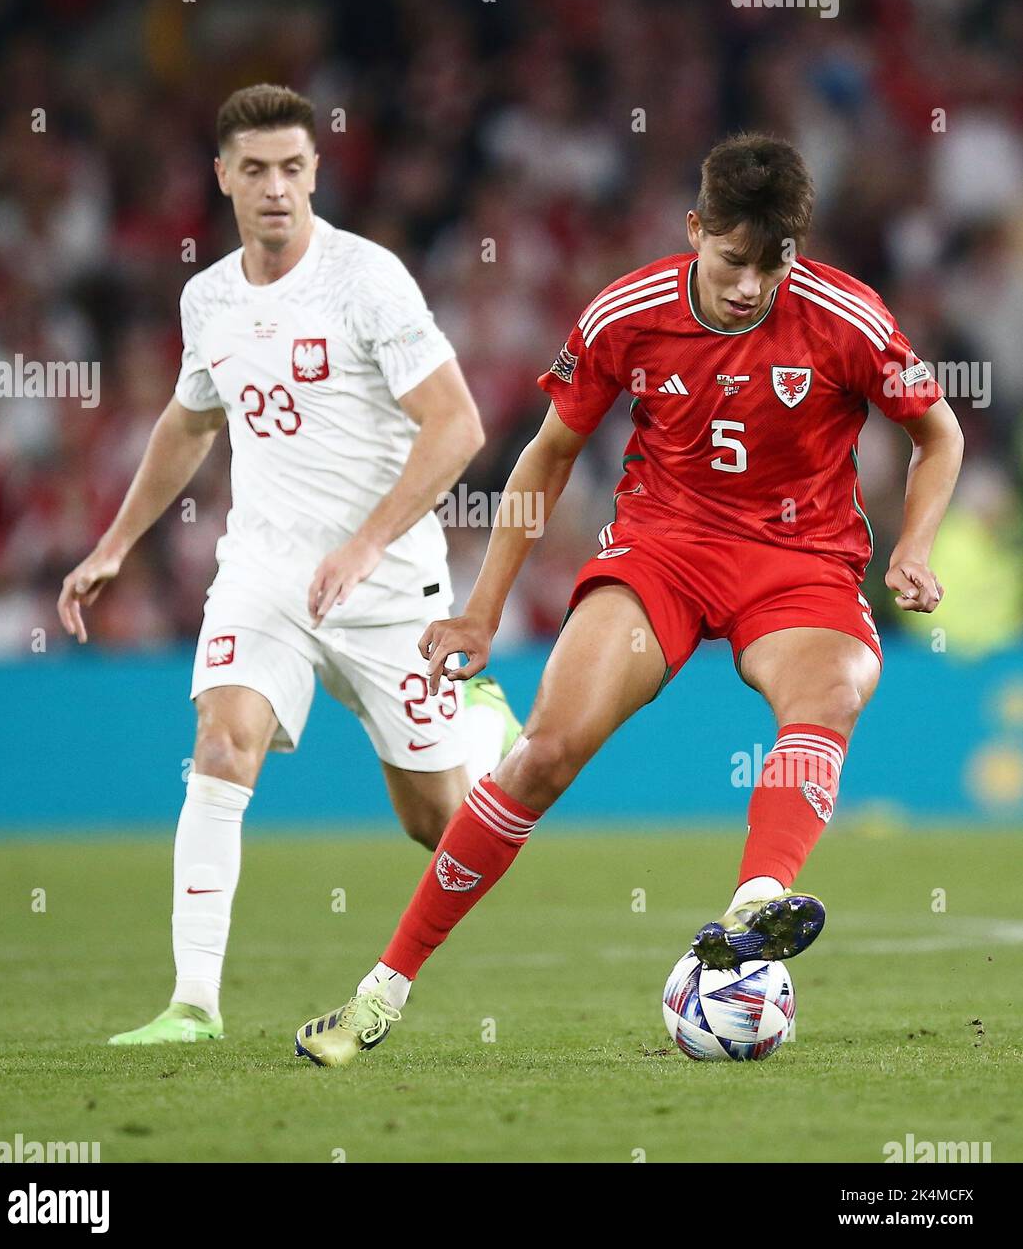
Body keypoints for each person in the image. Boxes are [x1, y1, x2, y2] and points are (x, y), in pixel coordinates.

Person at [294, 131, 963, 1068]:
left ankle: (754, 905)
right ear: (695, 230)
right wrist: (483, 606)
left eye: (771, 265)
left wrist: (916, 545)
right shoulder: (625, 316)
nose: (748, 286)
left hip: (801, 559)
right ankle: (380, 993)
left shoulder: (844, 318)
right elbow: (546, 455)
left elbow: (938, 434)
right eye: (731, 260)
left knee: (832, 692)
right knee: (544, 754)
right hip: (665, 552)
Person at [56, 84, 519, 1045]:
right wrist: (114, 544)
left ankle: (482, 733)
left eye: (294, 168)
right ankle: (192, 1005)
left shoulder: (368, 280)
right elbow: (189, 421)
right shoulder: (208, 296)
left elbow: (458, 425)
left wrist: (365, 541)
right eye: (256, 169)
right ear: (222, 177)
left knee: (438, 826)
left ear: (316, 172)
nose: (276, 188)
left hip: (388, 587)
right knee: (223, 743)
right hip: (265, 573)